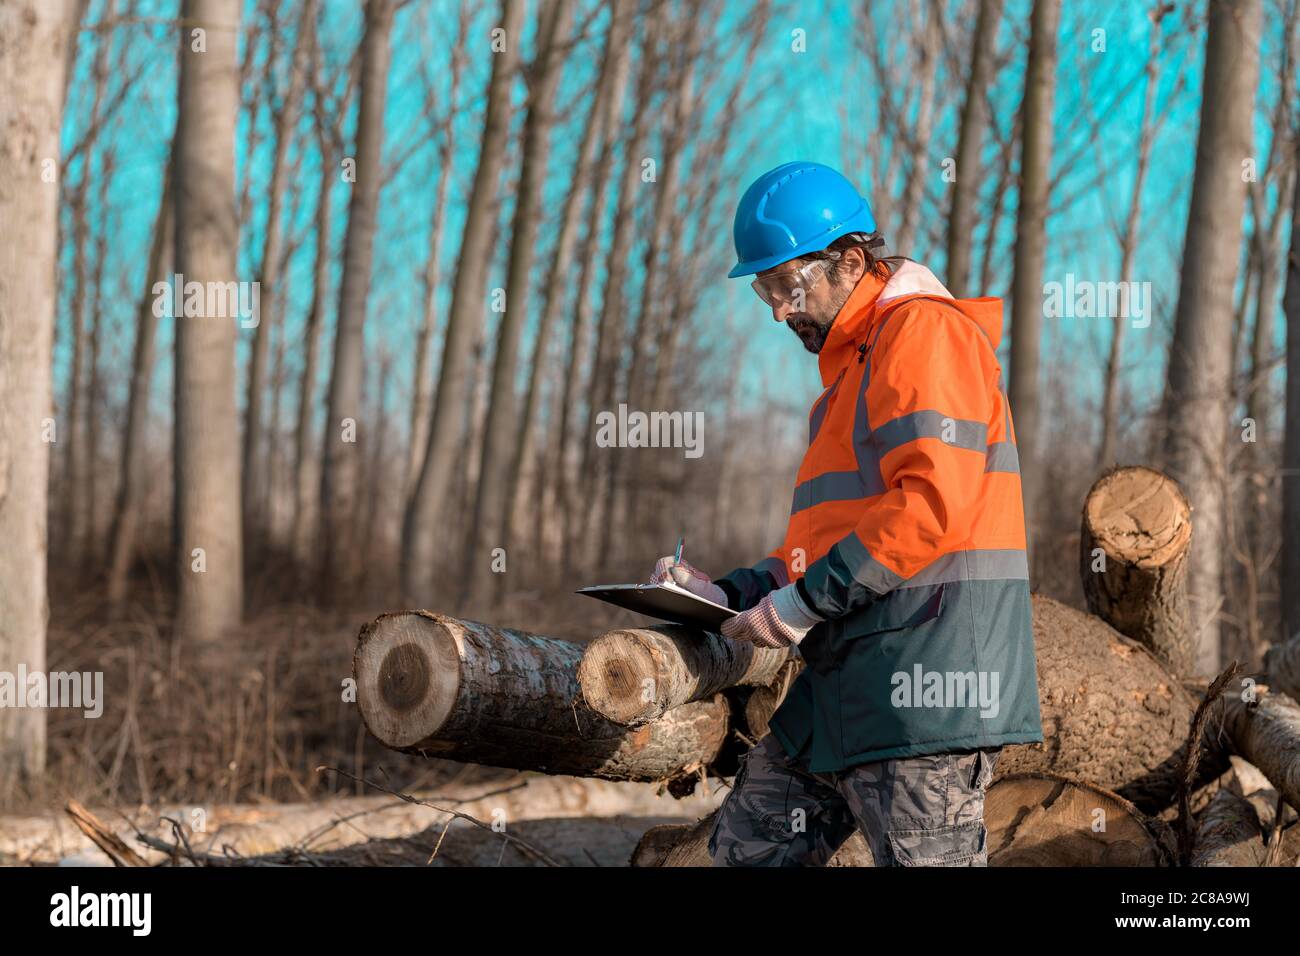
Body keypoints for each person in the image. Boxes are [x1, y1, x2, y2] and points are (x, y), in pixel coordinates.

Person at [650, 160, 1043, 866]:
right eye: (765, 291)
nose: (777, 309)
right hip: (840, 695)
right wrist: (728, 593)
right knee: (746, 851)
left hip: (923, 698)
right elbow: (822, 547)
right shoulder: (845, 380)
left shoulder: (923, 335)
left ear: (851, 260)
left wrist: (800, 606)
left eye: (786, 284)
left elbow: (931, 504)